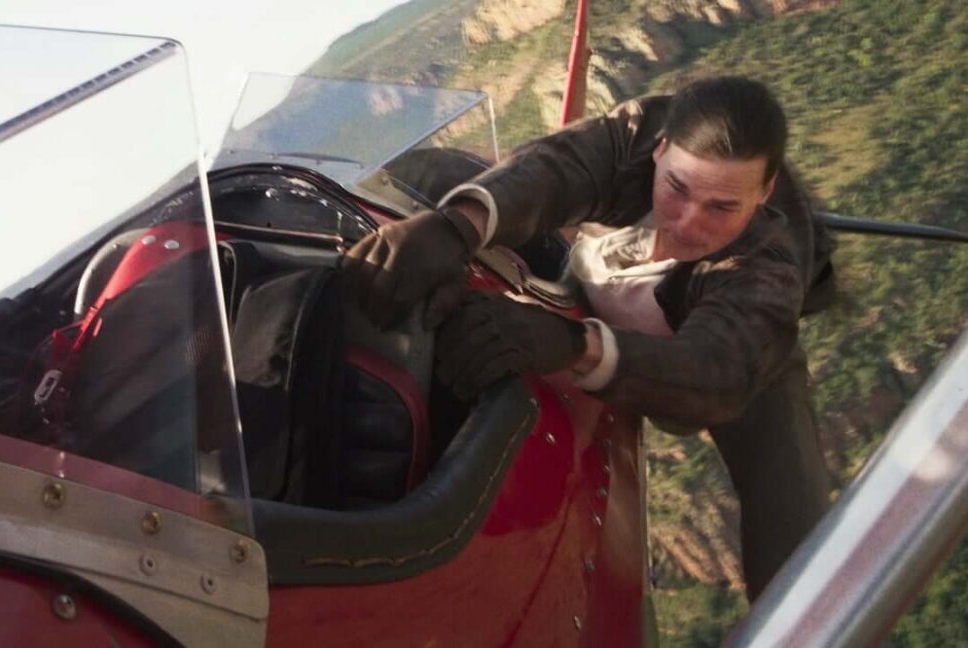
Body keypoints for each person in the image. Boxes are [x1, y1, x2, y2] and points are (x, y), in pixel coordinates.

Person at [341, 76, 835, 601]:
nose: (689, 224)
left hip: (739, 358)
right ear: (661, 151)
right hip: (607, 281)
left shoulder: (770, 263)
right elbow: (556, 169)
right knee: (435, 175)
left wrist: (574, 345)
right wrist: (454, 228)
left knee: (798, 555)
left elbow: (715, 371)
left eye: (722, 207)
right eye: (677, 188)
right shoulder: (637, 134)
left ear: (765, 190)